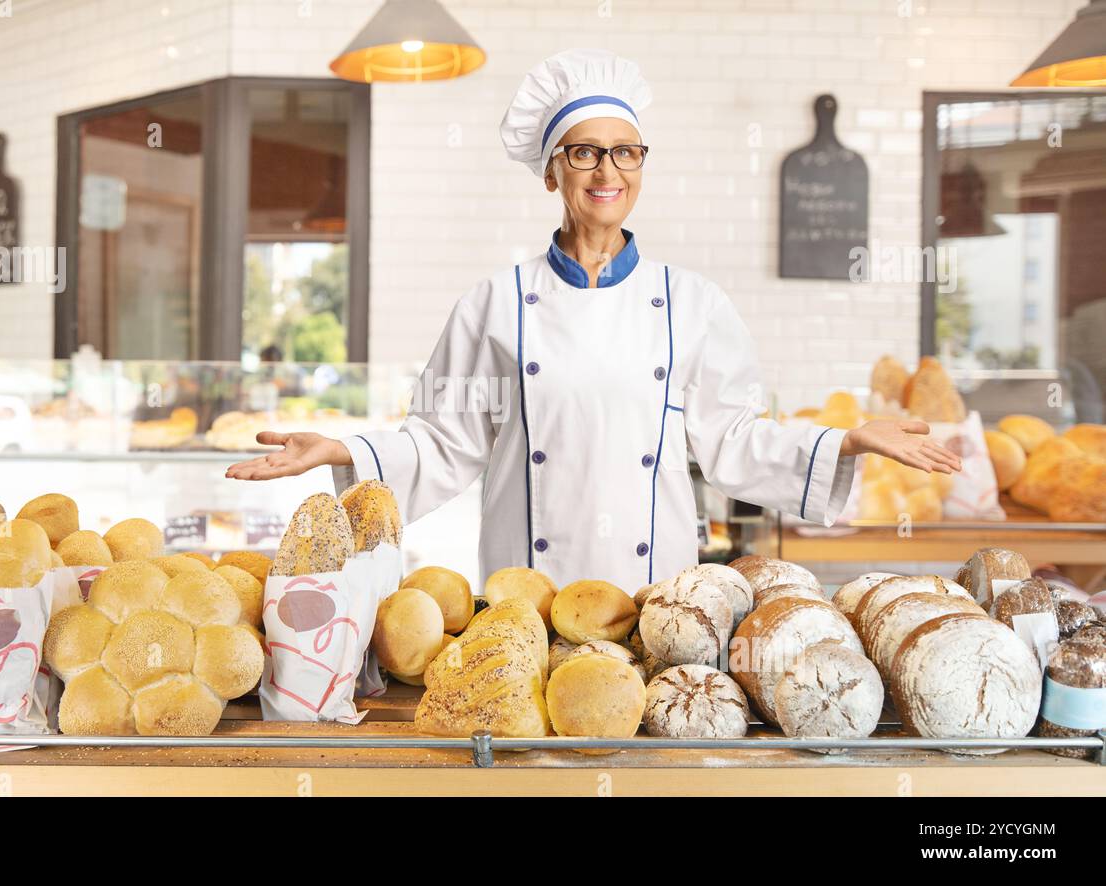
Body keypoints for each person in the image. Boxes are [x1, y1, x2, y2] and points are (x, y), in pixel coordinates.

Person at [226, 48, 960, 591]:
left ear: (641, 165)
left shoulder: (693, 304)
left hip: (657, 597)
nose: (608, 170)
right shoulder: (495, 303)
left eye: (626, 152)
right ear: (552, 170)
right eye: (585, 152)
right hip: (524, 599)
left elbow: (734, 438)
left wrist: (846, 440)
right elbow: (443, 442)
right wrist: (344, 450)